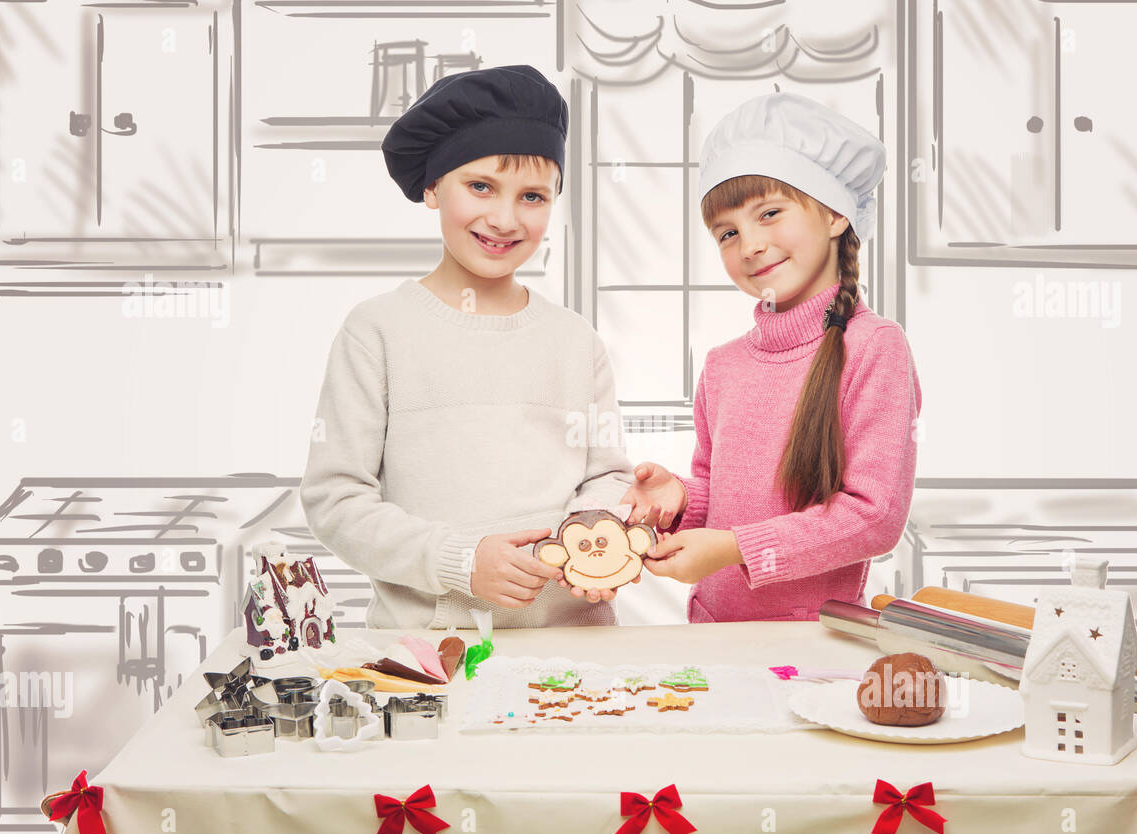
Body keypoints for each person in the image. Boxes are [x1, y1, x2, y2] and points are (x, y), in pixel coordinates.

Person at [300, 64, 634, 631]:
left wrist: (593, 531)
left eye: (532, 196)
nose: (504, 219)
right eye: (480, 186)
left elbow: (607, 475)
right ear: (432, 187)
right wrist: (459, 561)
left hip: (576, 646)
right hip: (428, 656)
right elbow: (336, 501)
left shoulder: (575, 341)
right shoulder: (377, 332)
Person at [622, 93, 923, 622]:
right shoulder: (723, 365)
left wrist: (737, 548)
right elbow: (720, 497)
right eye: (728, 233)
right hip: (712, 632)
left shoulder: (874, 347)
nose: (751, 245)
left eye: (770, 213)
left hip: (808, 648)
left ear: (834, 214)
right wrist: (680, 499)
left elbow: (874, 517)